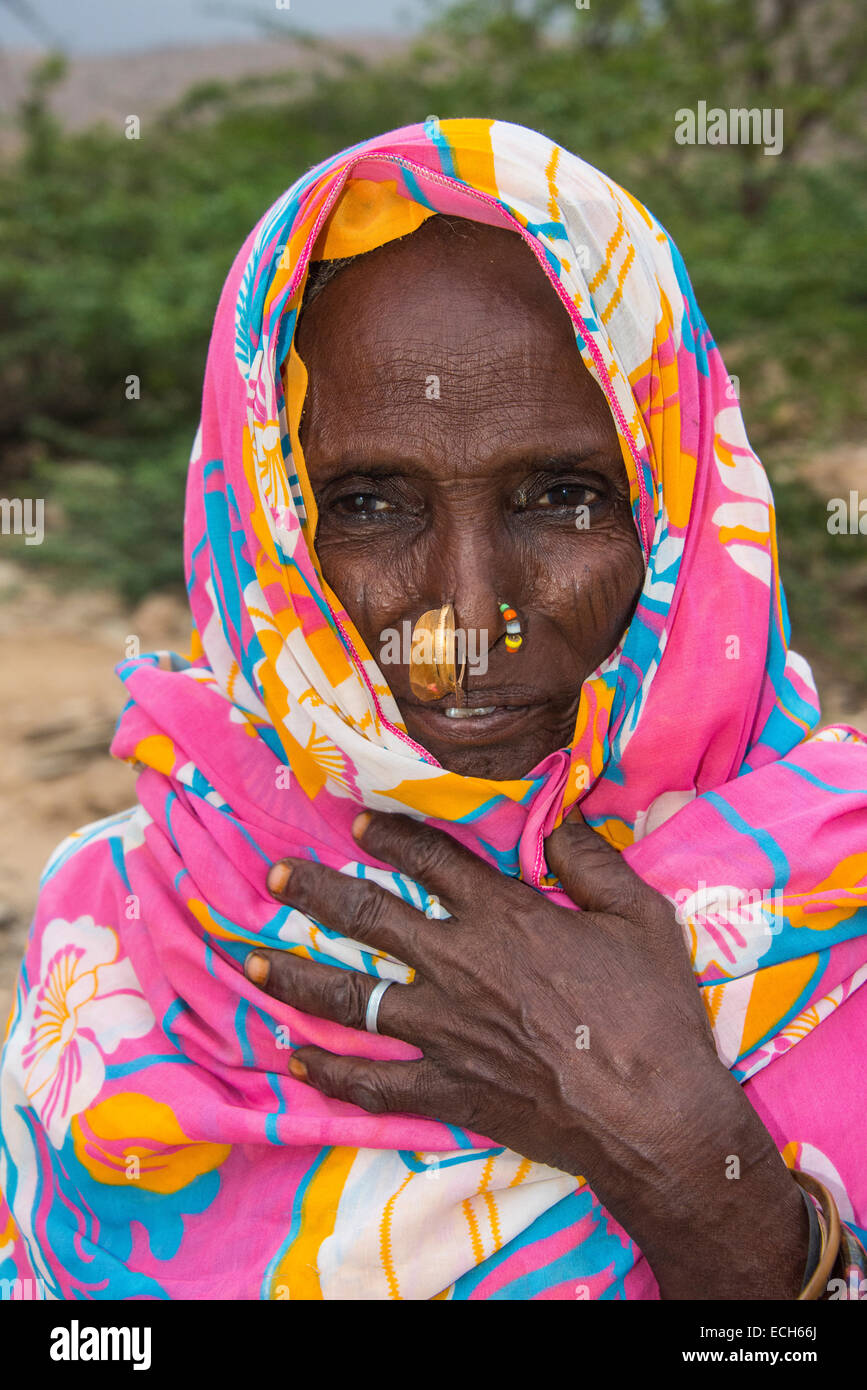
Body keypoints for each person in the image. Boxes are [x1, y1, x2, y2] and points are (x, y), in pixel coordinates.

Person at [1, 118, 865, 1301]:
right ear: (264, 520)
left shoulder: (842, 908)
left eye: (561, 495)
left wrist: (693, 1171)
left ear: (678, 509)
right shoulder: (130, 922)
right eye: (367, 502)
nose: (467, 613)